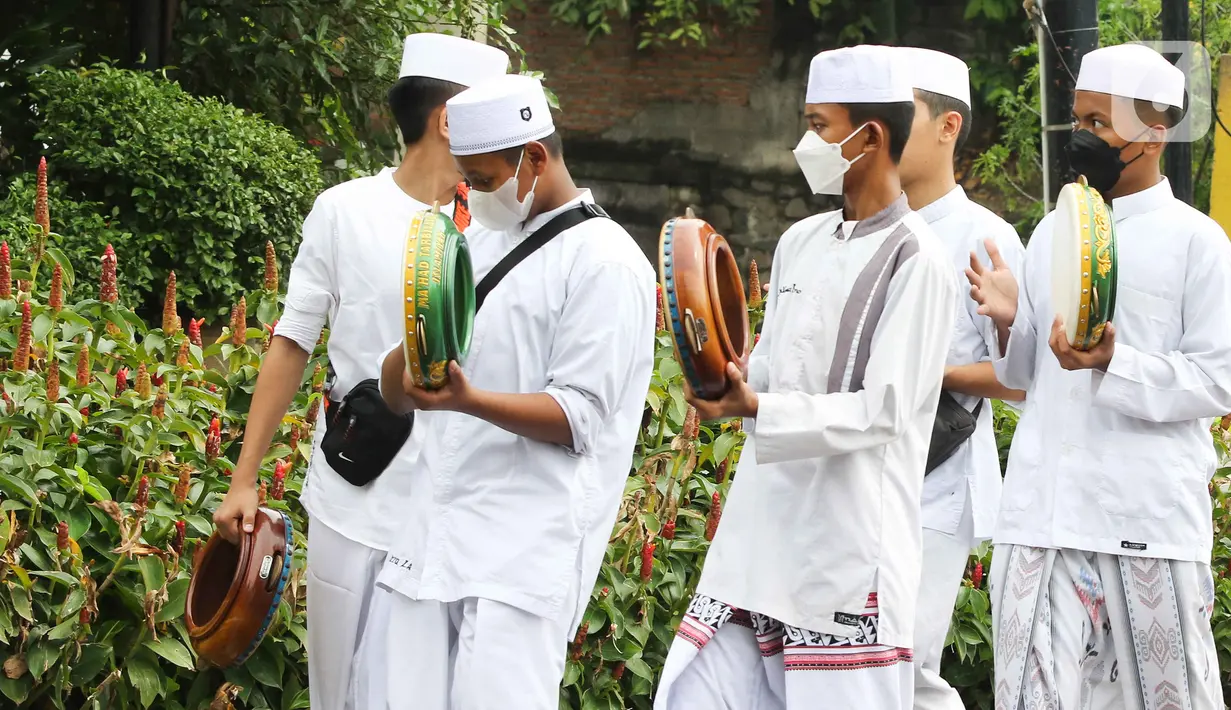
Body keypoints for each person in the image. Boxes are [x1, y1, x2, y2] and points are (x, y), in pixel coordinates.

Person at [652, 45, 957, 710]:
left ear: (868, 137)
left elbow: (884, 410)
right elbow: (763, 369)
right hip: (760, 539)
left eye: (817, 126)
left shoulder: (918, 261)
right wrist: (722, 388)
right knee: (691, 698)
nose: (804, 143)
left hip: (845, 555)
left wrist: (756, 405)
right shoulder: (800, 240)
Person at [210, 32, 508, 710]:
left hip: (459, 504)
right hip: (357, 493)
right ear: (448, 118)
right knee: (338, 690)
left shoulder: (497, 228)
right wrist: (244, 478)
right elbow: (292, 342)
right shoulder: (346, 211)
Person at [349, 73, 656, 709]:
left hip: (519, 559)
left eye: (485, 180)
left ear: (534, 158)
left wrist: (467, 400)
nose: (475, 193)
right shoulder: (474, 242)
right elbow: (403, 377)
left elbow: (577, 416)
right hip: (427, 541)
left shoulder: (608, 263)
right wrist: (406, 369)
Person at [966, 42, 1231, 709]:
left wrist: (1116, 362)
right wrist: (1007, 319)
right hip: (1039, 518)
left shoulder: (1196, 241)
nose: (1082, 136)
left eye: (1099, 123)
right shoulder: (1050, 232)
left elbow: (1217, 380)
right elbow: (1027, 374)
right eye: (1078, 119)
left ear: (1153, 133)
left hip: (1147, 519)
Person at [894, 47, 1026, 710]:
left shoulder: (986, 237)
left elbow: (1026, 379)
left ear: (947, 127)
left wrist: (932, 372)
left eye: (899, 114)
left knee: (902, 662)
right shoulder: (852, 228)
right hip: (849, 469)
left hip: (934, 482)